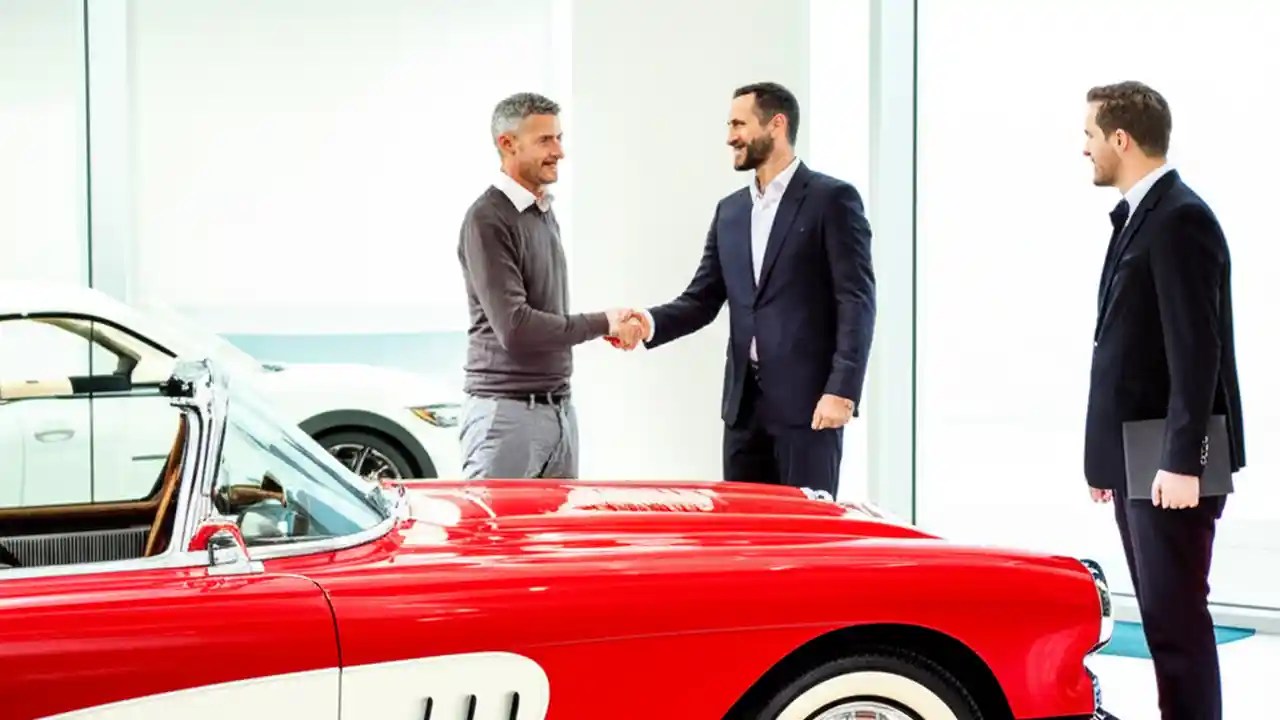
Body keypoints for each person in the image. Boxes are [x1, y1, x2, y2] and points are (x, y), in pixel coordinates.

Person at [612, 82, 876, 498]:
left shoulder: (832, 200)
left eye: (739, 123)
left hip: (810, 409)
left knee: (804, 536)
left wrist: (842, 390)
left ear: (777, 124)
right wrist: (647, 322)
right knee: (745, 537)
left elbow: (856, 300)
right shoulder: (730, 211)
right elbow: (701, 299)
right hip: (742, 410)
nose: (730, 136)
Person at [1082, 80, 1245, 720]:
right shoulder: (1142, 215)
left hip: (1168, 457)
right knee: (1159, 618)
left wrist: (1183, 461)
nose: (1085, 148)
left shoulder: (1181, 219)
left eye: (1090, 135)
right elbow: (1125, 350)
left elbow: (1195, 351)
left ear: (1121, 138)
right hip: (1136, 452)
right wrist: (1106, 464)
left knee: (1176, 623)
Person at [457, 92, 642, 480]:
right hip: (506, 417)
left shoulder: (542, 212)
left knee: (554, 541)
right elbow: (517, 328)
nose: (559, 151)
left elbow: (544, 316)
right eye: (545, 140)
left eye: (559, 138)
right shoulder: (487, 219)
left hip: (557, 410)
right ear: (507, 144)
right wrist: (603, 323)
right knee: (497, 541)